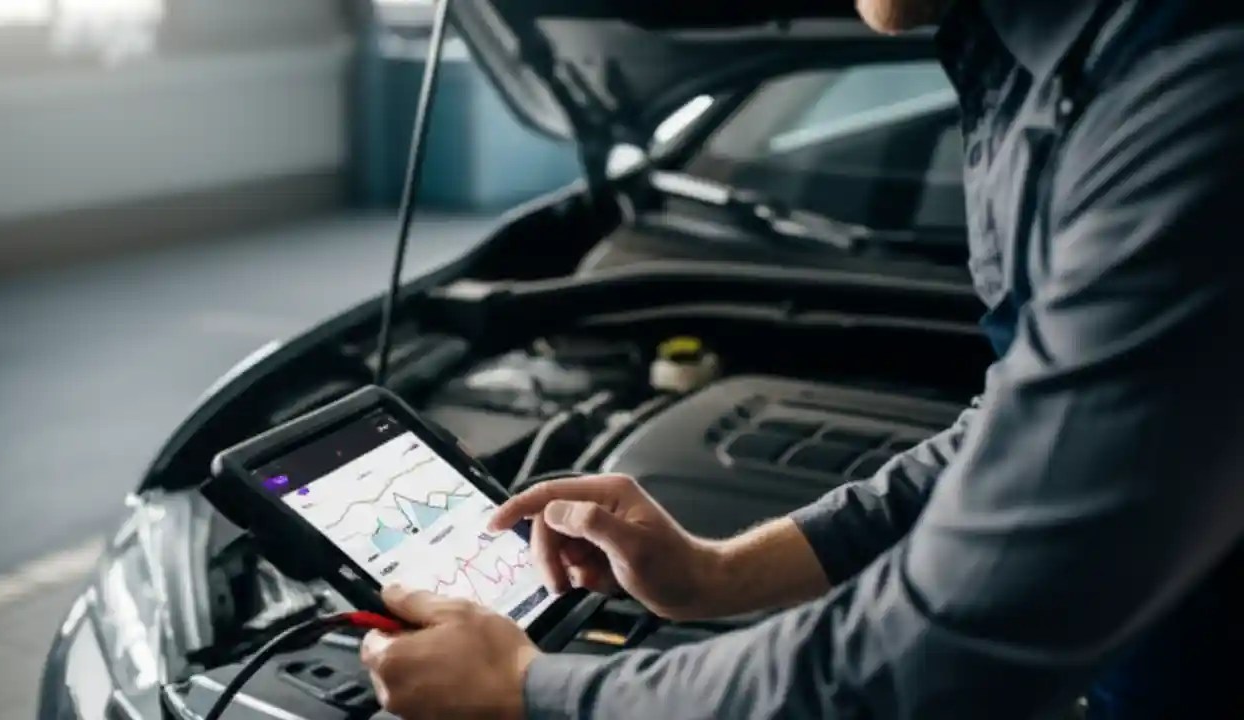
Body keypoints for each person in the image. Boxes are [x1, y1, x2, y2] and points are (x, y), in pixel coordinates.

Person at [359, 0, 1244, 717]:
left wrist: (531, 692)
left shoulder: (1195, 100)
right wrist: (719, 574)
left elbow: (942, 656)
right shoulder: (1028, 59)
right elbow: (1025, 436)